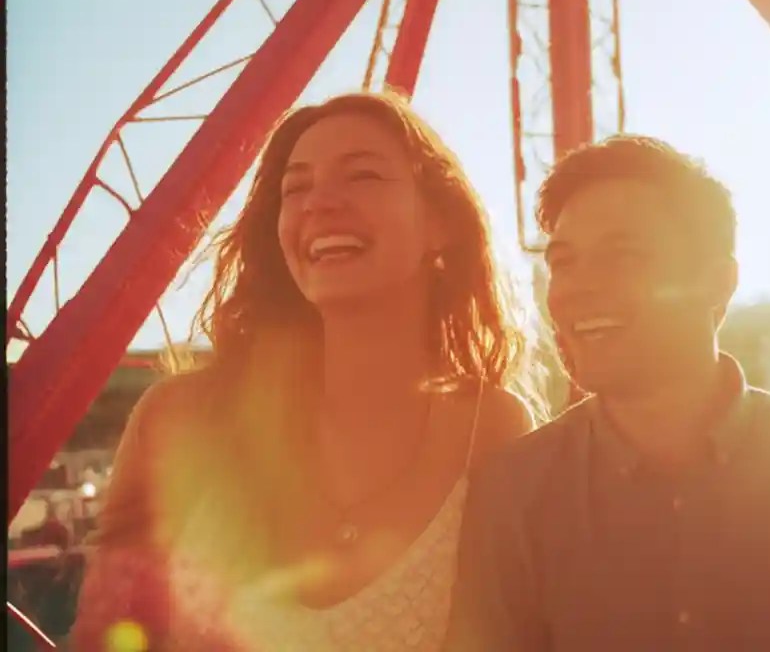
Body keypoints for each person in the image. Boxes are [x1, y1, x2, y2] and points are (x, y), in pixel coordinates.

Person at [445, 135, 770, 651]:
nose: (577, 287)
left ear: (719, 282)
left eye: (621, 256)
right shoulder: (514, 495)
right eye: (564, 262)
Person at [72, 91, 541, 651]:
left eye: (362, 176)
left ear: (439, 224)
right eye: (296, 188)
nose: (319, 204)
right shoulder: (178, 419)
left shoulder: (490, 429)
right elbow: (105, 637)